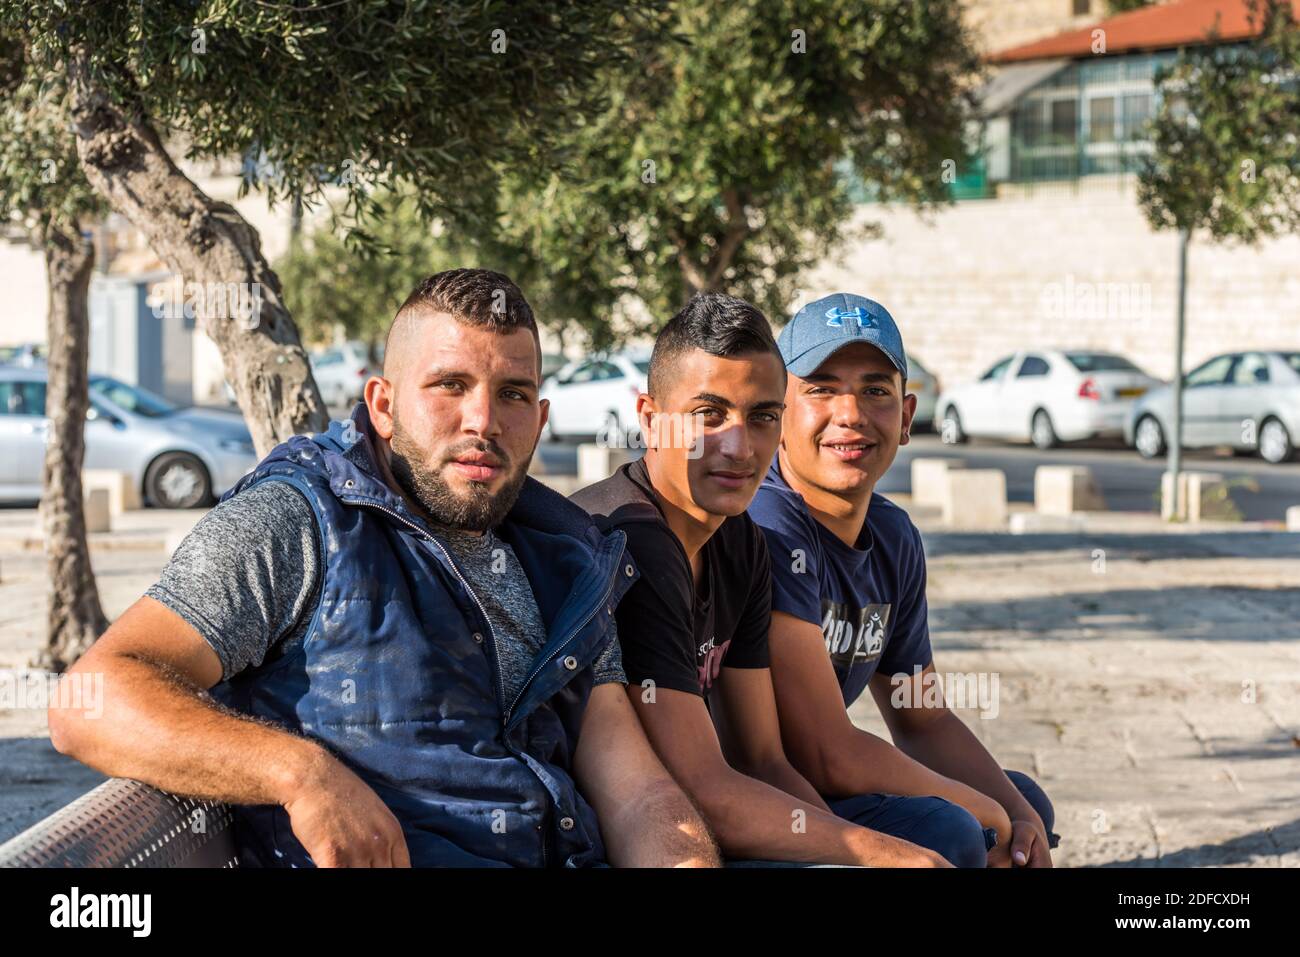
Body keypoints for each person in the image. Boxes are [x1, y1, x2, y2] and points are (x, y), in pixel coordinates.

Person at [49, 268, 717, 868]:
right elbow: (91, 700)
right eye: (450, 385)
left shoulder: (568, 562)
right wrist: (299, 772)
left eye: (512, 394)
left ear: (540, 419)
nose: (482, 420)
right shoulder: (300, 521)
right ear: (383, 405)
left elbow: (635, 791)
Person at [571, 292, 950, 867]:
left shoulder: (741, 539)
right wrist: (882, 854)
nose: (739, 446)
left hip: (705, 807)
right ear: (650, 419)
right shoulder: (629, 540)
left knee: (949, 830)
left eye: (762, 417)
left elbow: (764, 760)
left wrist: (845, 852)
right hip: (613, 832)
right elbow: (705, 789)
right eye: (708, 415)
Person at [748, 292, 1061, 868]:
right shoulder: (768, 525)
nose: (851, 414)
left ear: (908, 416)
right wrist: (988, 816)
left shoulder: (892, 535)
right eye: (820, 388)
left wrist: (1017, 816)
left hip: (824, 790)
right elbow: (825, 754)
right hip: (760, 802)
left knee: (1023, 804)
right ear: (778, 412)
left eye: (875, 390)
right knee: (956, 828)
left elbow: (923, 715)